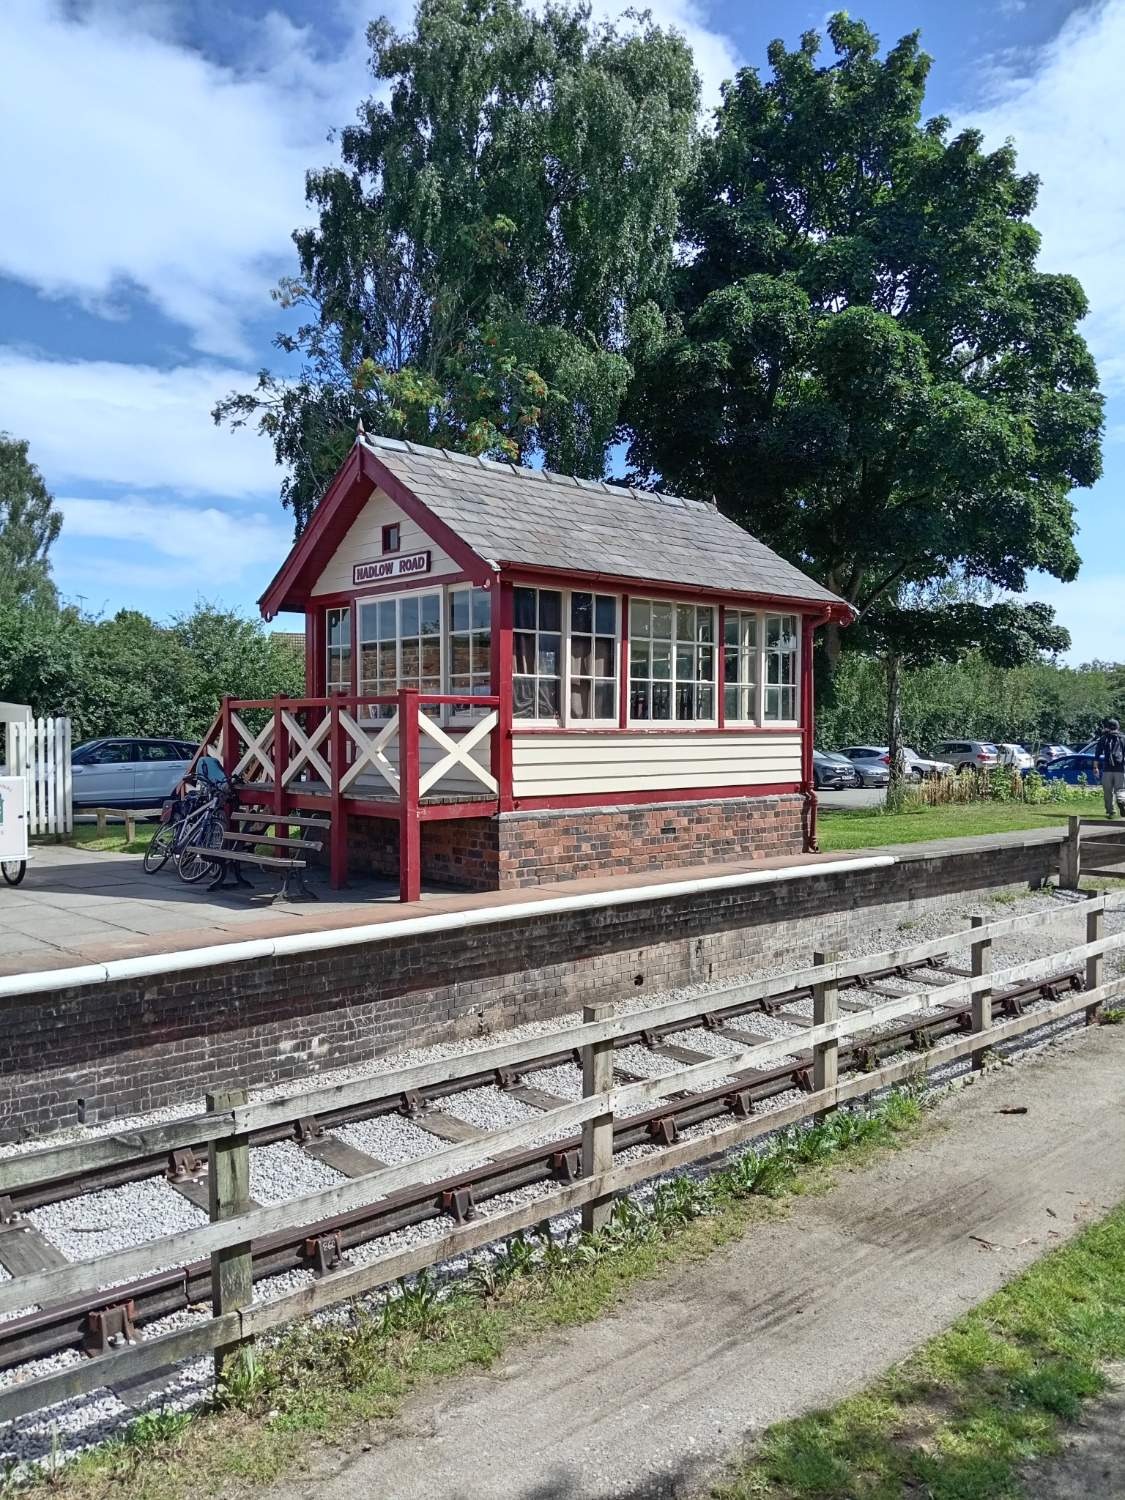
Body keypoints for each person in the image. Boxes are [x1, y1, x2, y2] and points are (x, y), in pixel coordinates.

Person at [1094, 718, 1125, 817]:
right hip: (1120, 769)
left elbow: (1097, 754)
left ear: (1107, 727)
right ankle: (1121, 800)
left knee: (1108, 791)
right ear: (1118, 727)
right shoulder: (1123, 738)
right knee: (1120, 789)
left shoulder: (1104, 738)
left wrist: (1095, 768)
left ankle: (1110, 811)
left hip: (1107, 769)